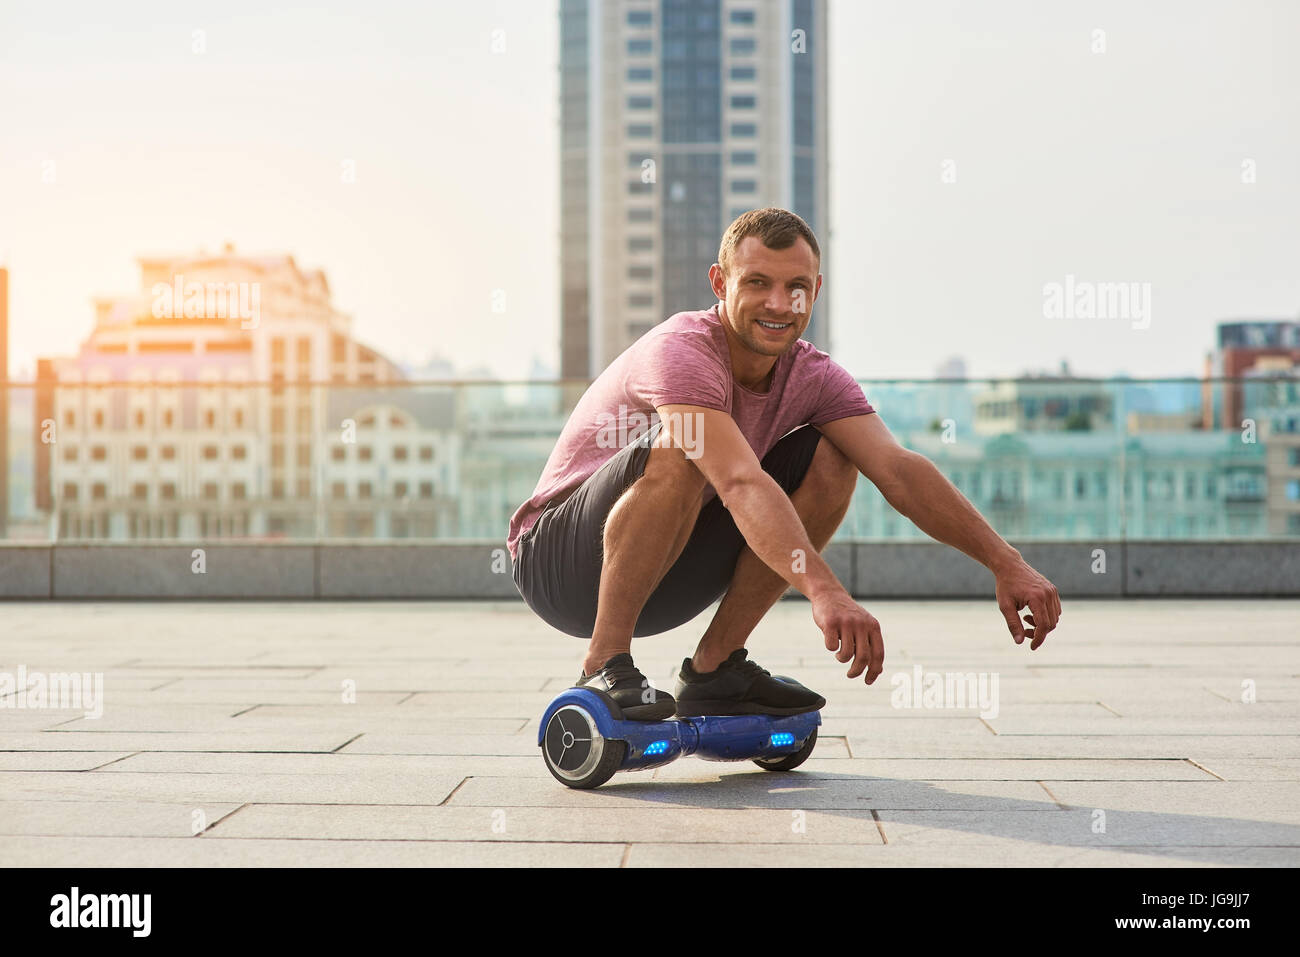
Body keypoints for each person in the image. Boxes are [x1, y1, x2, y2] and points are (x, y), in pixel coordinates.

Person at [507, 208, 1060, 721]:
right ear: (720, 284)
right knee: (688, 443)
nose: (778, 303)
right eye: (757, 283)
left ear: (815, 292)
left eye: (795, 287)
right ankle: (603, 663)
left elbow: (897, 468)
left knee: (836, 454)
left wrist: (1005, 562)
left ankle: (714, 671)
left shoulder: (815, 375)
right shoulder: (683, 350)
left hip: (669, 565)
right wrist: (826, 592)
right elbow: (739, 479)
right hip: (560, 563)